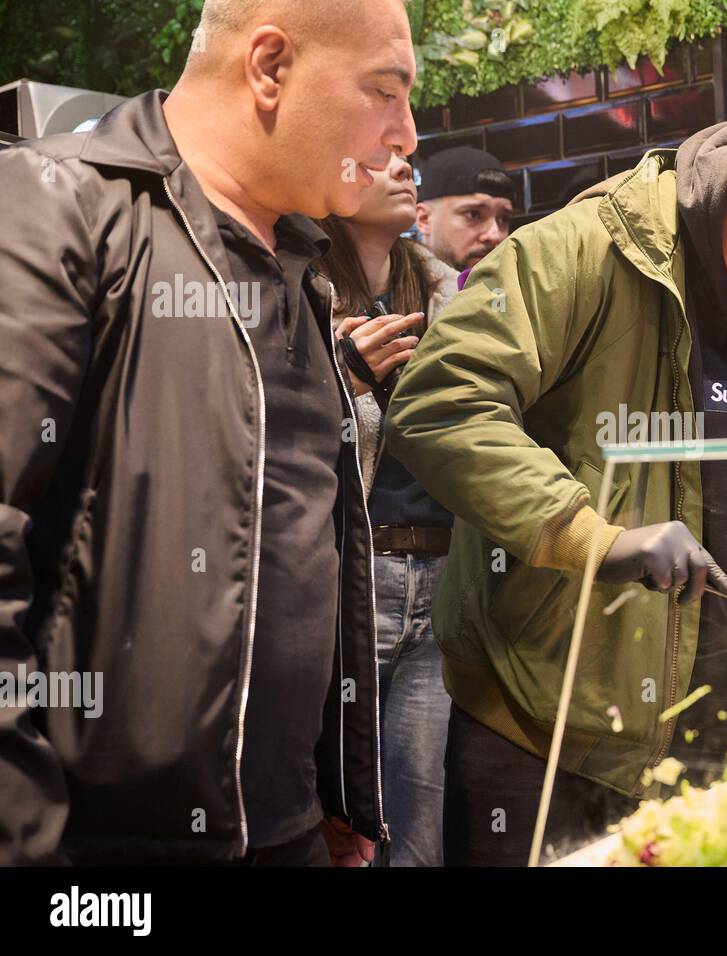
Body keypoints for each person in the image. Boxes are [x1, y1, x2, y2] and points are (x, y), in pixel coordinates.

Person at [384, 75, 727, 865]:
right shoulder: (588, 246)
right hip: (542, 731)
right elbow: (439, 400)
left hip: (711, 734)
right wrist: (588, 535)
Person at [0, 0, 418, 865]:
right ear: (269, 67)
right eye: (385, 91)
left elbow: (306, 550)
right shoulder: (59, 206)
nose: (407, 133)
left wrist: (333, 788)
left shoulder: (303, 273)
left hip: (288, 829)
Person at [315, 151, 463, 867]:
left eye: (411, 164)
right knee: (338, 809)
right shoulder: (306, 289)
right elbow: (266, 435)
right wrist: (340, 376)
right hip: (353, 576)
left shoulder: (448, 292)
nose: (406, 171)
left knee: (418, 815)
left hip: (441, 574)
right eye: (382, 161)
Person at [414, 146, 515, 273]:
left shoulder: (519, 288)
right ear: (425, 219)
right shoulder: (391, 288)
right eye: (473, 215)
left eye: (503, 219)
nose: (495, 236)